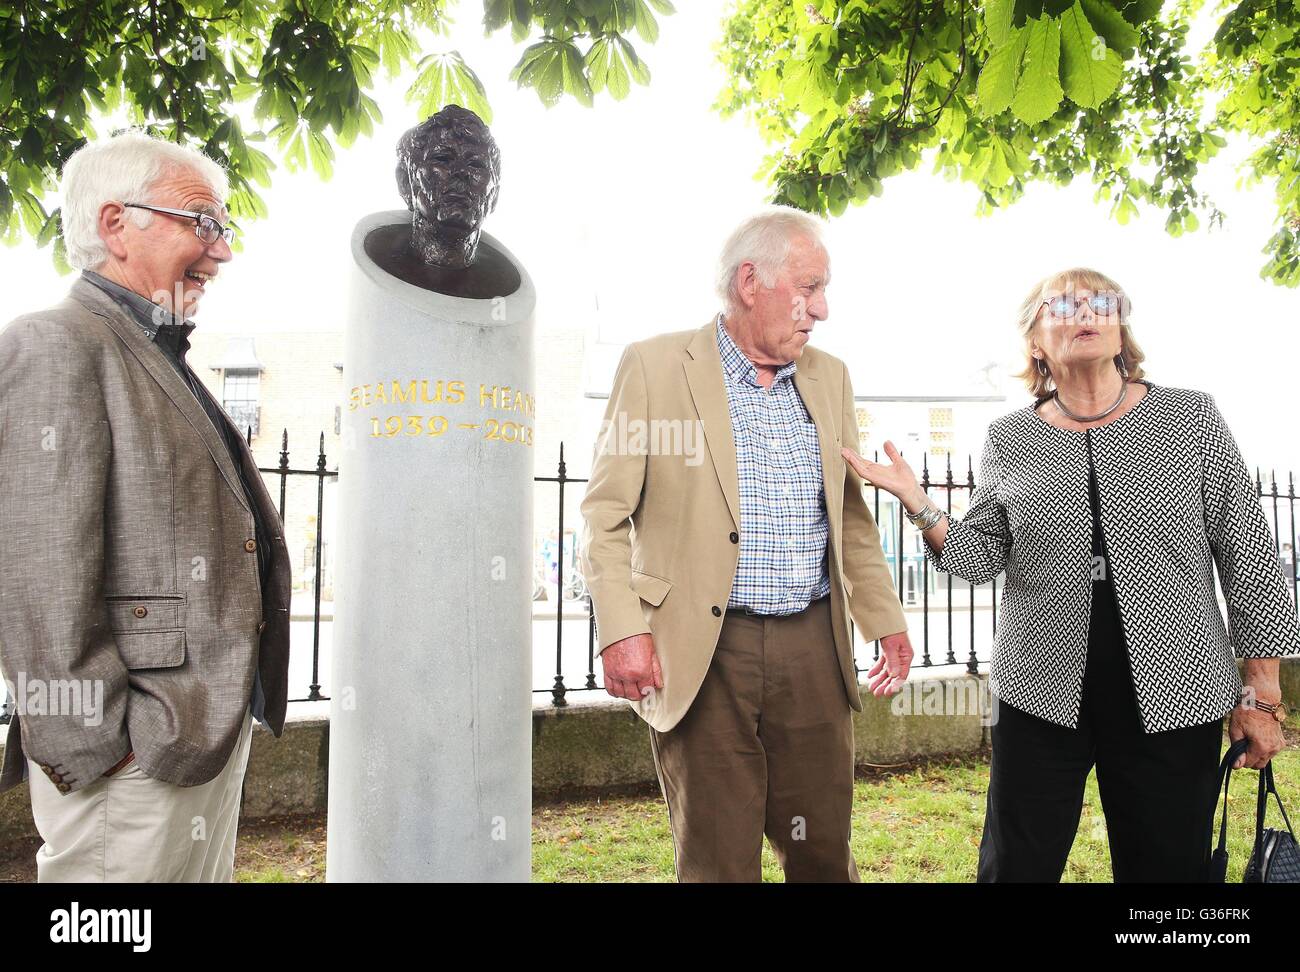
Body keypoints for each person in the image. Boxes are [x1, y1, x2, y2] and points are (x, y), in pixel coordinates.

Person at [843, 267, 1297, 882]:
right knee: (1016, 866)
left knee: (1168, 872)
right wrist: (918, 503)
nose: (1085, 312)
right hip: (1038, 692)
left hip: (1176, 690)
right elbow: (975, 556)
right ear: (1034, 340)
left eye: (1101, 303)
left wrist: (1260, 692)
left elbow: (1246, 551)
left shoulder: (1190, 416)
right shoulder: (1011, 435)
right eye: (1062, 305)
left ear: (1119, 329)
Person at [579, 207, 914, 882]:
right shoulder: (654, 366)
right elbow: (604, 513)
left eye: (823, 291)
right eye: (810, 287)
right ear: (749, 282)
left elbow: (848, 518)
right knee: (718, 861)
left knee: (822, 853)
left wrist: (885, 620)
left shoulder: (830, 376)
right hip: (706, 653)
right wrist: (621, 630)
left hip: (814, 646)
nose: (821, 309)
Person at [0, 130, 292, 881]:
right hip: (129, 757)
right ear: (114, 224)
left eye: (222, 228)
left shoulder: (157, 350)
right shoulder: (54, 344)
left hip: (194, 737)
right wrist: (98, 743)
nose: (221, 252)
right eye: (203, 223)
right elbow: (37, 572)